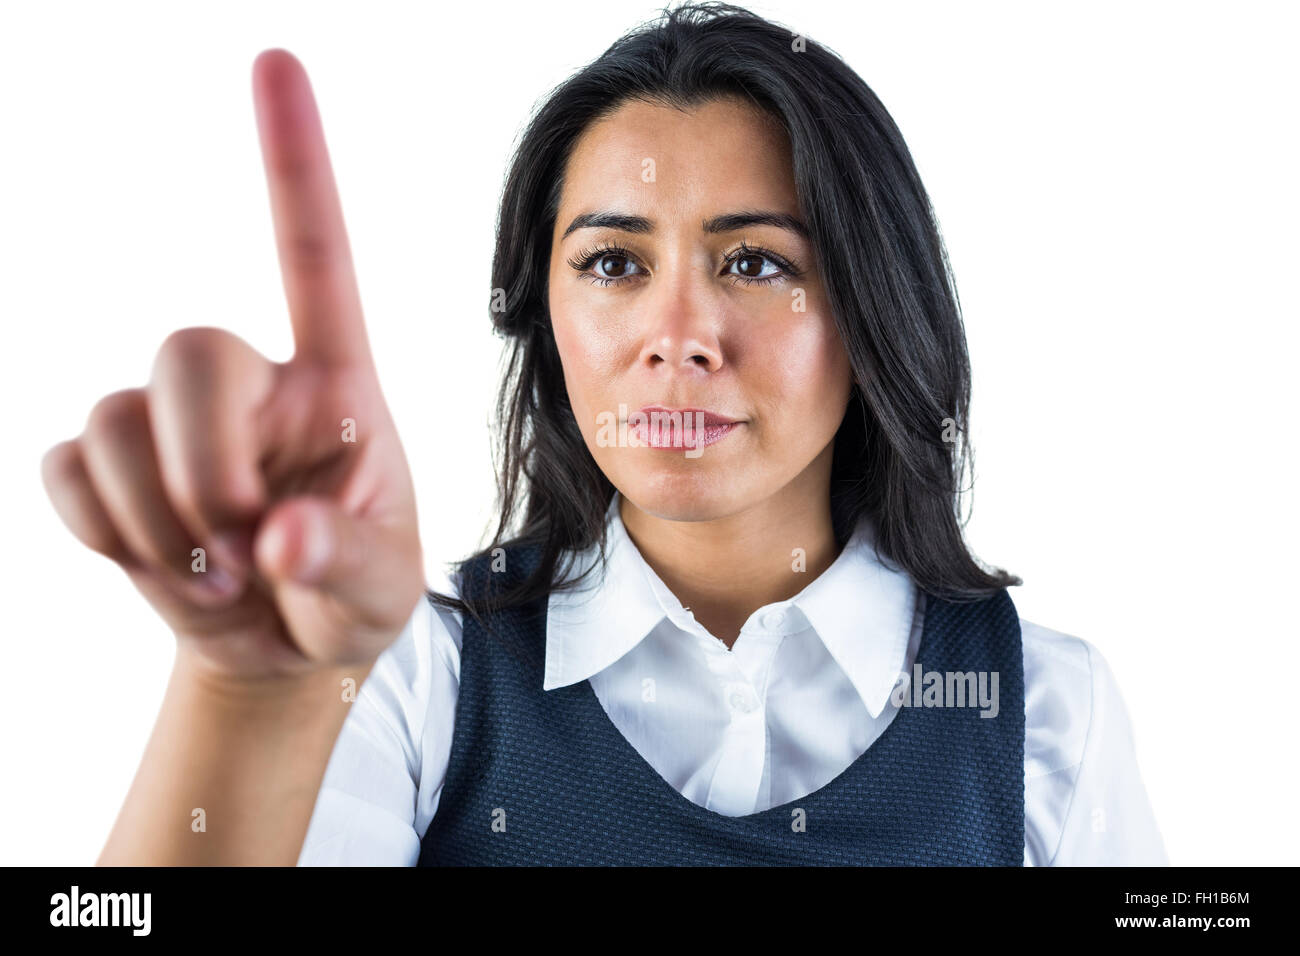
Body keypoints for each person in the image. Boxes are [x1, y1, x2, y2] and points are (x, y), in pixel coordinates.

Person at [41, 2, 1167, 866]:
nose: (675, 336)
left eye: (756, 261)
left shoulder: (1043, 710)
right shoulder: (418, 686)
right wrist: (247, 697)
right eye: (614, 263)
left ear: (874, 305)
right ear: (548, 317)